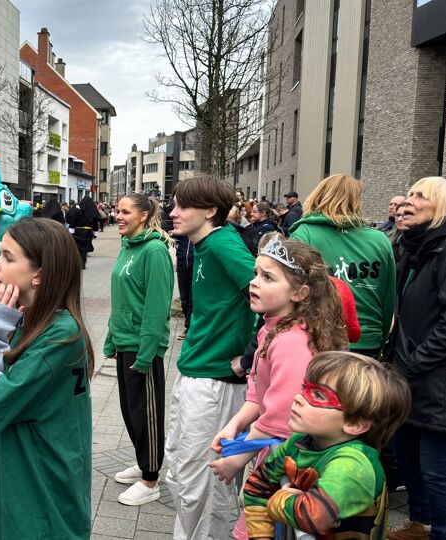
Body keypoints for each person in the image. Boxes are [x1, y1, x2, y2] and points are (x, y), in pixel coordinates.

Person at [208, 234, 349, 539]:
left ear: (299, 292)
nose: (254, 282)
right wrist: (235, 425)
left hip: (288, 464)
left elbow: (283, 417)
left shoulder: (291, 341)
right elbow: (260, 392)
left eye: (268, 277)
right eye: (256, 273)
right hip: (274, 452)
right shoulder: (272, 327)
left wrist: (237, 457)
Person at [0, 218, 94, 538]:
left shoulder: (58, 336)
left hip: (39, 506)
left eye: (8, 257)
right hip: (27, 491)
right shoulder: (37, 323)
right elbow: (2, 419)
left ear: (39, 274)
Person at [386, 177, 446, 540]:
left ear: (441, 208)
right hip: (414, 376)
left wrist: (411, 363)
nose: (407, 202)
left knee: (435, 469)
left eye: (418, 196)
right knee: (406, 457)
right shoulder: (419, 246)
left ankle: (442, 534)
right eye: (408, 194)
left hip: (444, 382)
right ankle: (420, 524)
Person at [166, 177, 256, 539]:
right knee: (182, 472)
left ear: (209, 211)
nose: (173, 213)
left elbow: (274, 293)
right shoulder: (202, 245)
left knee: (205, 483)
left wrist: (248, 358)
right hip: (196, 372)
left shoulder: (222, 243)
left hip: (216, 383)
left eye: (182, 206)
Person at [242, 352, 410, 538]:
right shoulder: (300, 441)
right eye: (304, 387)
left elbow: (314, 515)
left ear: (355, 424)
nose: (298, 397)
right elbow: (256, 487)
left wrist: (278, 499)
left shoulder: (354, 464)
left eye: (319, 395)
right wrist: (262, 535)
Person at [105, 193, 174, 506]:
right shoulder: (127, 246)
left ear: (144, 215)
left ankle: (150, 478)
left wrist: (147, 353)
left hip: (142, 347)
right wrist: (111, 337)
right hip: (125, 342)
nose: (118, 216)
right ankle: (142, 459)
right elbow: (123, 298)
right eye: (117, 211)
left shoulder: (154, 251)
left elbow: (156, 308)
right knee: (130, 411)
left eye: (125, 212)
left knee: (146, 413)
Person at [288, 174, 395, 358]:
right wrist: (379, 340)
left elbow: (290, 293)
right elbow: (388, 298)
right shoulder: (380, 240)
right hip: (367, 339)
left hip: (318, 337)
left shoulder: (304, 234)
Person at [66, 195, 101, 269]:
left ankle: (77, 262)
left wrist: (71, 229)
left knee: (77, 247)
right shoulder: (92, 210)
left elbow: (72, 219)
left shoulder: (76, 210)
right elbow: (95, 222)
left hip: (77, 231)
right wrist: (95, 232)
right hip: (88, 232)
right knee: (84, 249)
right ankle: (83, 263)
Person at [174, 234, 194, 340]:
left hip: (194, 266)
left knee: (192, 298)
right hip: (182, 264)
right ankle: (188, 323)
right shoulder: (184, 230)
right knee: (184, 298)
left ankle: (189, 327)